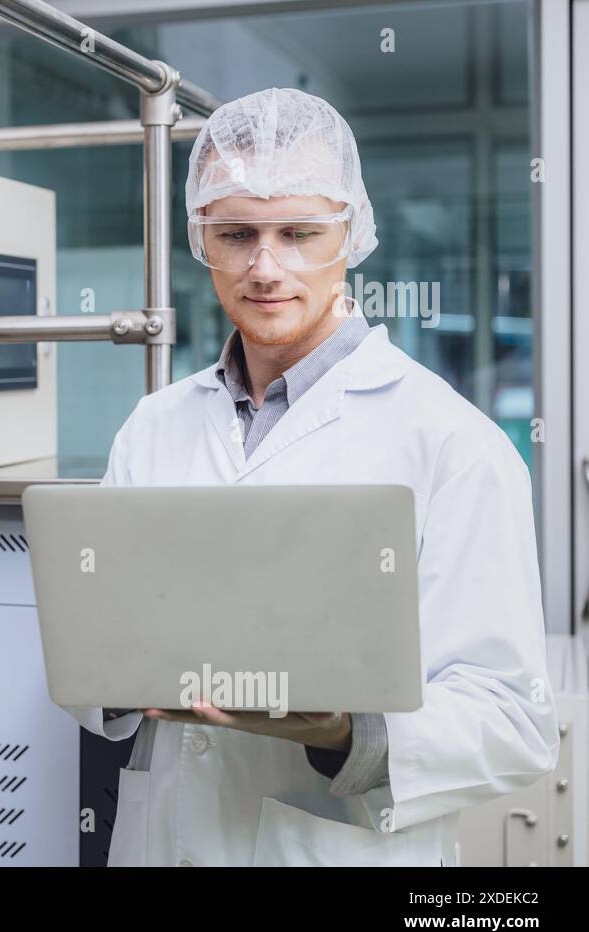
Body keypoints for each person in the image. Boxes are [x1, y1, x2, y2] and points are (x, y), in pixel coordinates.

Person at [70, 87, 559, 866]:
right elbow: (90, 662)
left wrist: (343, 733)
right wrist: (121, 680)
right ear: (202, 239)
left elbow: (513, 720)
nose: (265, 268)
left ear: (350, 235)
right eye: (237, 234)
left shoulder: (450, 441)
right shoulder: (154, 427)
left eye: (298, 233)